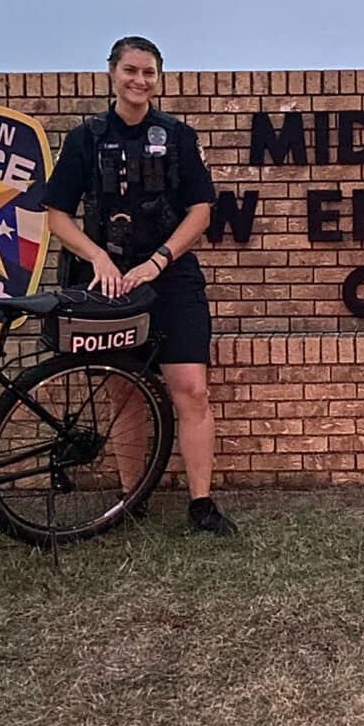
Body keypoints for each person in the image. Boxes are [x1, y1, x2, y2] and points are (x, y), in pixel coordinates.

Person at [45, 35, 237, 536]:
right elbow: (57, 216)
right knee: (124, 393)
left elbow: (200, 210)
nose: (140, 80)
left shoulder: (176, 135)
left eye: (149, 72)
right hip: (110, 283)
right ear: (112, 72)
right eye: (131, 70)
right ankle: (132, 500)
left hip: (171, 279)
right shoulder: (86, 138)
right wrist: (98, 258)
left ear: (159, 78)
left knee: (191, 390)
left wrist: (159, 259)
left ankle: (202, 505)